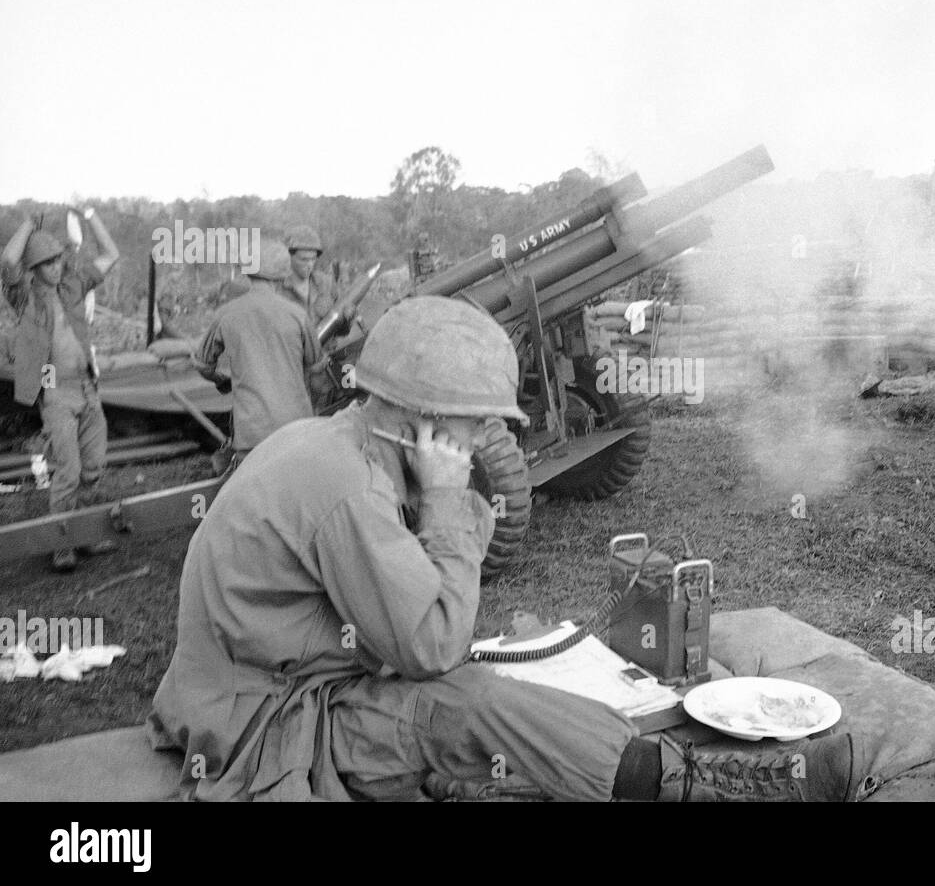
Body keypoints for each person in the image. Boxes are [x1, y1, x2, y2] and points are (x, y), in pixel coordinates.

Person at [147, 295, 869, 801]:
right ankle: (699, 788)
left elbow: (421, 605)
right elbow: (434, 645)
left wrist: (449, 507)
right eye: (472, 425)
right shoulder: (350, 487)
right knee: (473, 705)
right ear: (424, 420)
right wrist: (444, 501)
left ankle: (657, 768)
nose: (481, 442)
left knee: (495, 694)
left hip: (279, 683)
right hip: (263, 727)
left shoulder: (340, 445)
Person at [1, 210, 120, 571]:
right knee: (68, 470)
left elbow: (111, 255)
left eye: (57, 259)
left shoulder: (72, 285)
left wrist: (90, 214)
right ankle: (60, 544)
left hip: (88, 387)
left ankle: (81, 535)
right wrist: (28, 226)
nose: (54, 267)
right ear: (33, 268)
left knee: (93, 467)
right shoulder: (24, 296)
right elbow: (8, 260)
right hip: (55, 390)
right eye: (45, 262)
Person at [193, 241, 325, 465]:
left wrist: (222, 380)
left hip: (251, 434)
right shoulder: (297, 315)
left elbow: (203, 365)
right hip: (296, 429)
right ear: (284, 276)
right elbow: (317, 371)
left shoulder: (226, 314)